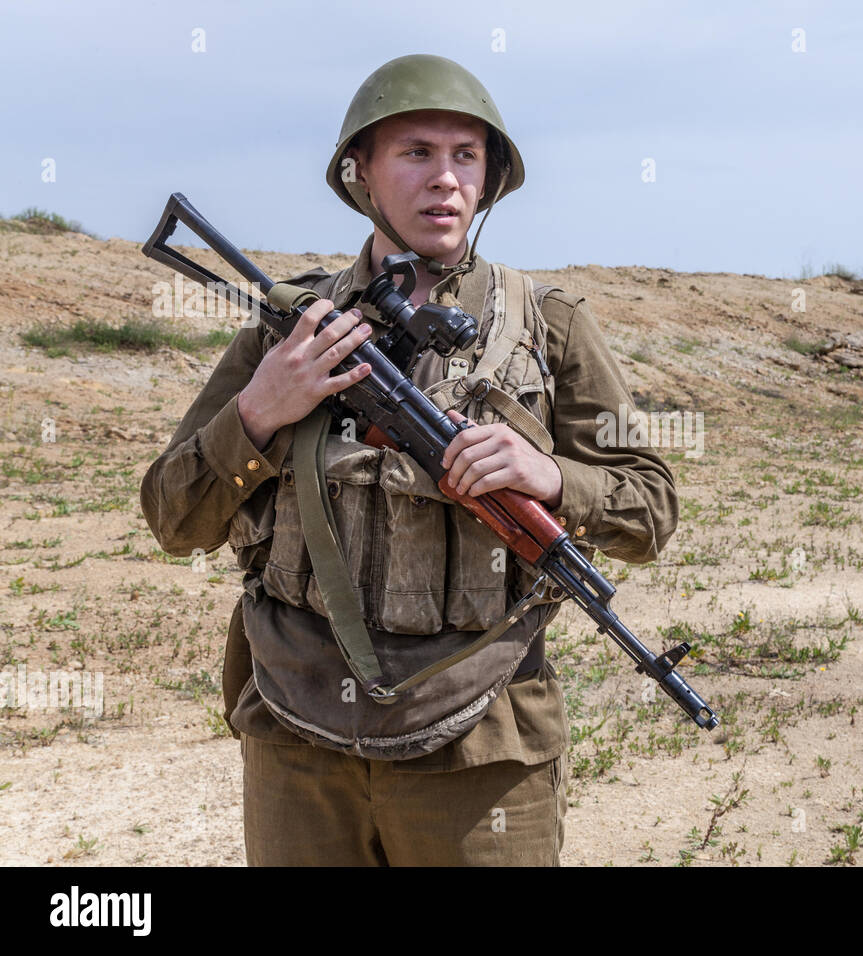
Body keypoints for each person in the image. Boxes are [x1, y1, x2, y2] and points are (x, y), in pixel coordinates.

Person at [139, 53, 678, 866]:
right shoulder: (289, 328)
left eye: (467, 157)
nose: (446, 180)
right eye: (417, 153)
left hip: (482, 744)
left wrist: (550, 477)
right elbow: (173, 519)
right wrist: (261, 409)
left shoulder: (550, 326)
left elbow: (649, 511)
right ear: (361, 173)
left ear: (490, 178)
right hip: (298, 731)